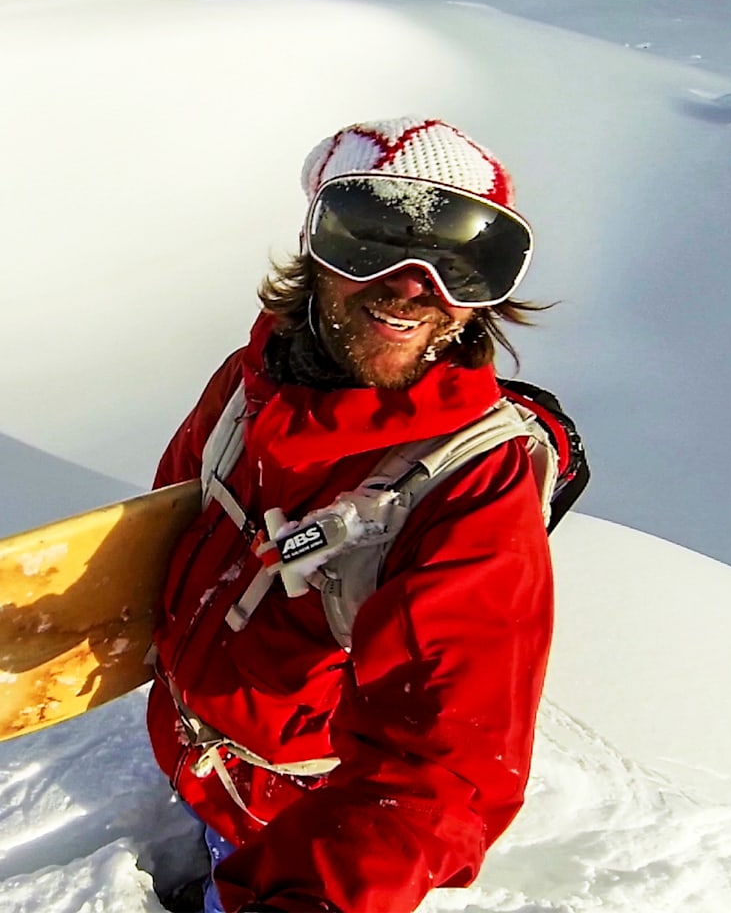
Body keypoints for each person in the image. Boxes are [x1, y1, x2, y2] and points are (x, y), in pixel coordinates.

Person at [148, 117, 559, 913]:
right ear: (314, 247)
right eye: (370, 242)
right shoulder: (250, 379)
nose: (412, 287)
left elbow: (444, 770)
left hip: (309, 834)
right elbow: (175, 530)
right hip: (203, 766)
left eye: (460, 264)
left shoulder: (474, 491)